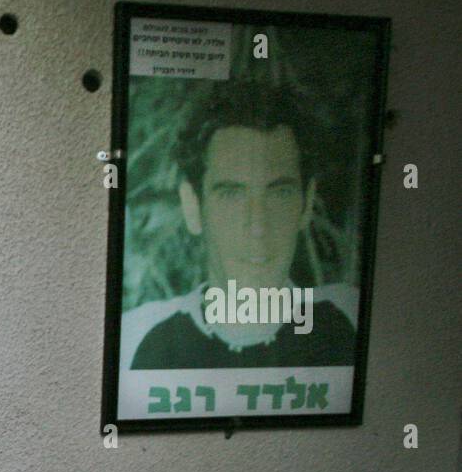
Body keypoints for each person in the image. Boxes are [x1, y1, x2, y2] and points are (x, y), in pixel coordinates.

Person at [123, 82, 358, 371]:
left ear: (306, 204)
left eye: (279, 192)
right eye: (231, 194)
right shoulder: (137, 340)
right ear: (193, 207)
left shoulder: (348, 323)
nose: (257, 226)